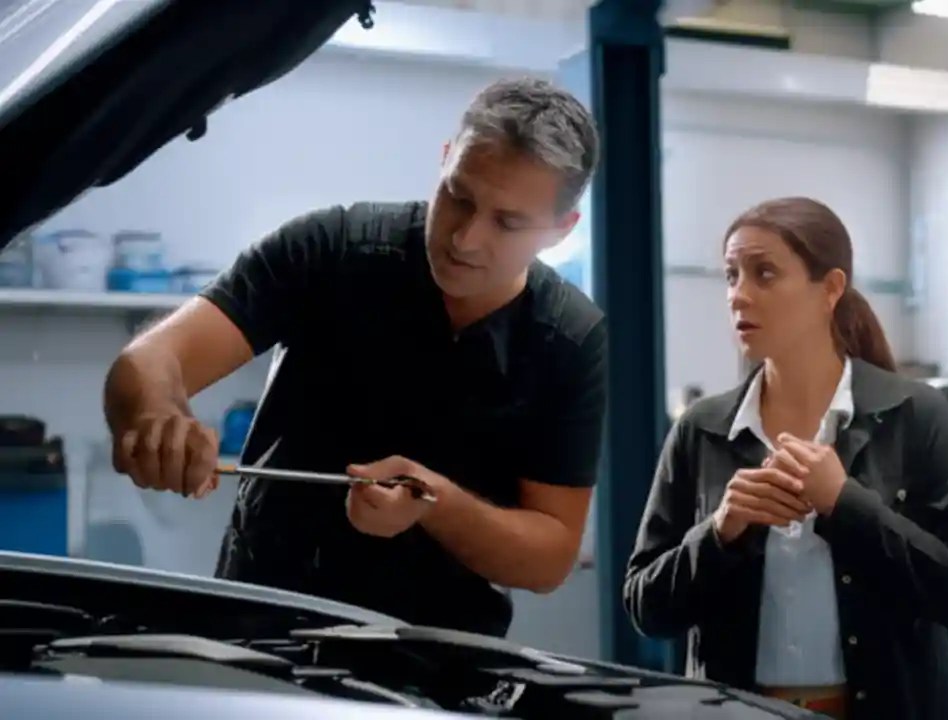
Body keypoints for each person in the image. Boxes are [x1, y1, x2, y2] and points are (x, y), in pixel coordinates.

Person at [103, 77, 606, 638]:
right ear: (444, 159)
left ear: (562, 231)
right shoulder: (330, 249)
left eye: (507, 223)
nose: (465, 238)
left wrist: (434, 504)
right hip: (263, 632)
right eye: (457, 195)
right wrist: (156, 416)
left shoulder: (571, 339)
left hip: (439, 663)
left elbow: (549, 558)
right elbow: (147, 361)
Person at [622, 197, 948, 719]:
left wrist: (847, 507)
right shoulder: (701, 430)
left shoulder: (915, 415)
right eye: (731, 276)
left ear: (830, 289)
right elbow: (646, 606)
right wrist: (718, 534)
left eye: (764, 274)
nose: (739, 296)